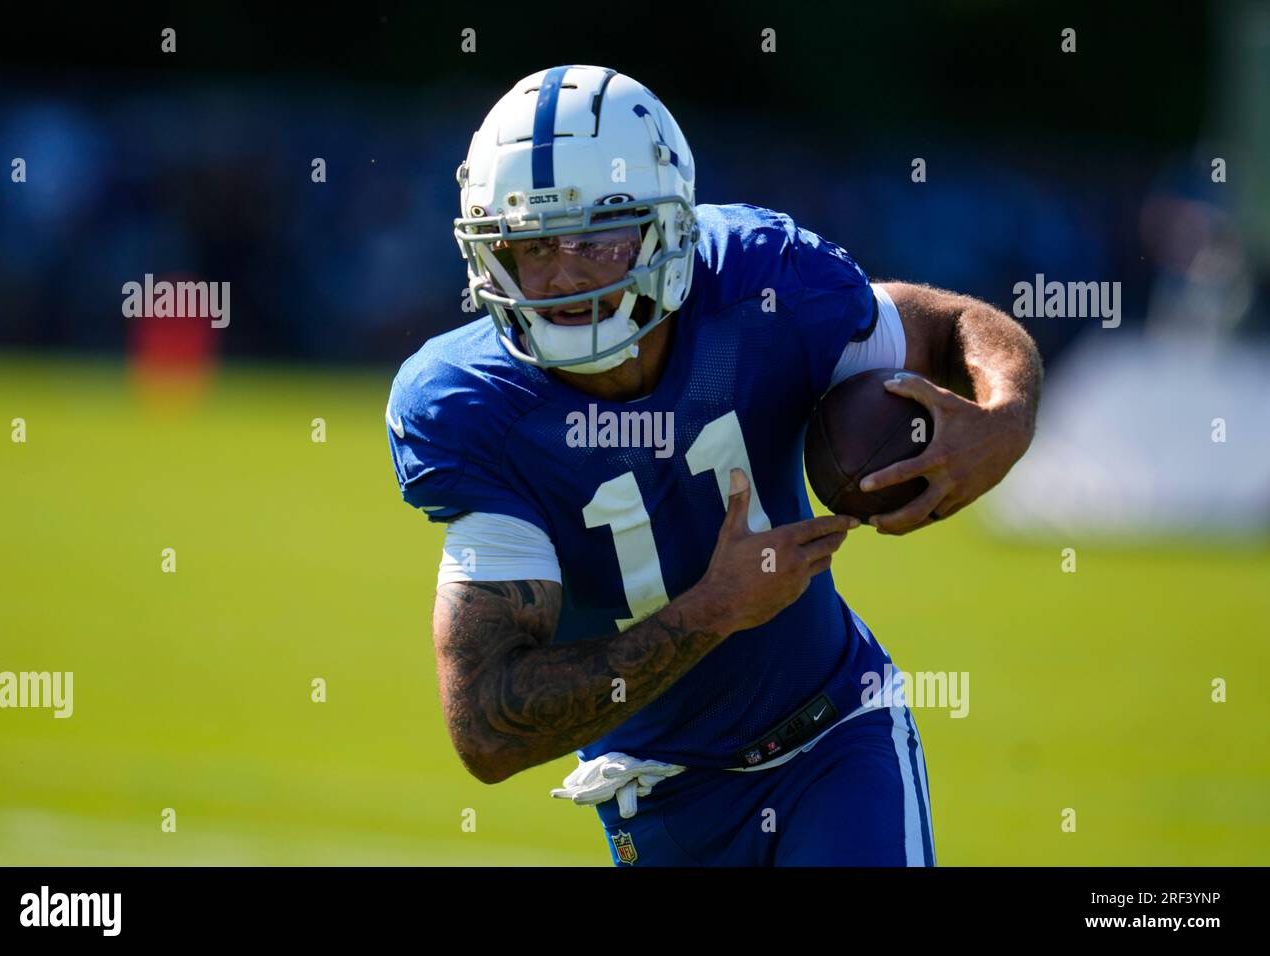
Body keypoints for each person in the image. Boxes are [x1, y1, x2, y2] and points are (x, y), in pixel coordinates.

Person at [386, 65, 1042, 865]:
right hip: (656, 797)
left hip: (836, 738)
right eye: (528, 246)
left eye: (597, 239)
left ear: (668, 225)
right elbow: (486, 730)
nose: (560, 277)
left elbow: (944, 324)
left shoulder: (758, 281)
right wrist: (711, 609)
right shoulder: (470, 405)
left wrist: (1006, 419)